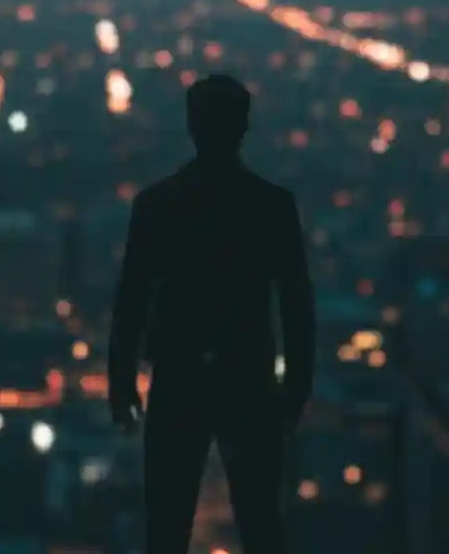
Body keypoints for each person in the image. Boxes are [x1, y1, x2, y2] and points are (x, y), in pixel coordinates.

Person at [108, 74, 316, 553]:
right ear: (243, 126)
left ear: (190, 124)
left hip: (180, 375)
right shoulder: (272, 206)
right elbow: (296, 306)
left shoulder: (158, 205)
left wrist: (122, 381)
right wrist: (296, 387)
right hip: (250, 377)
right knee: (261, 521)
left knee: (166, 522)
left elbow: (133, 300)